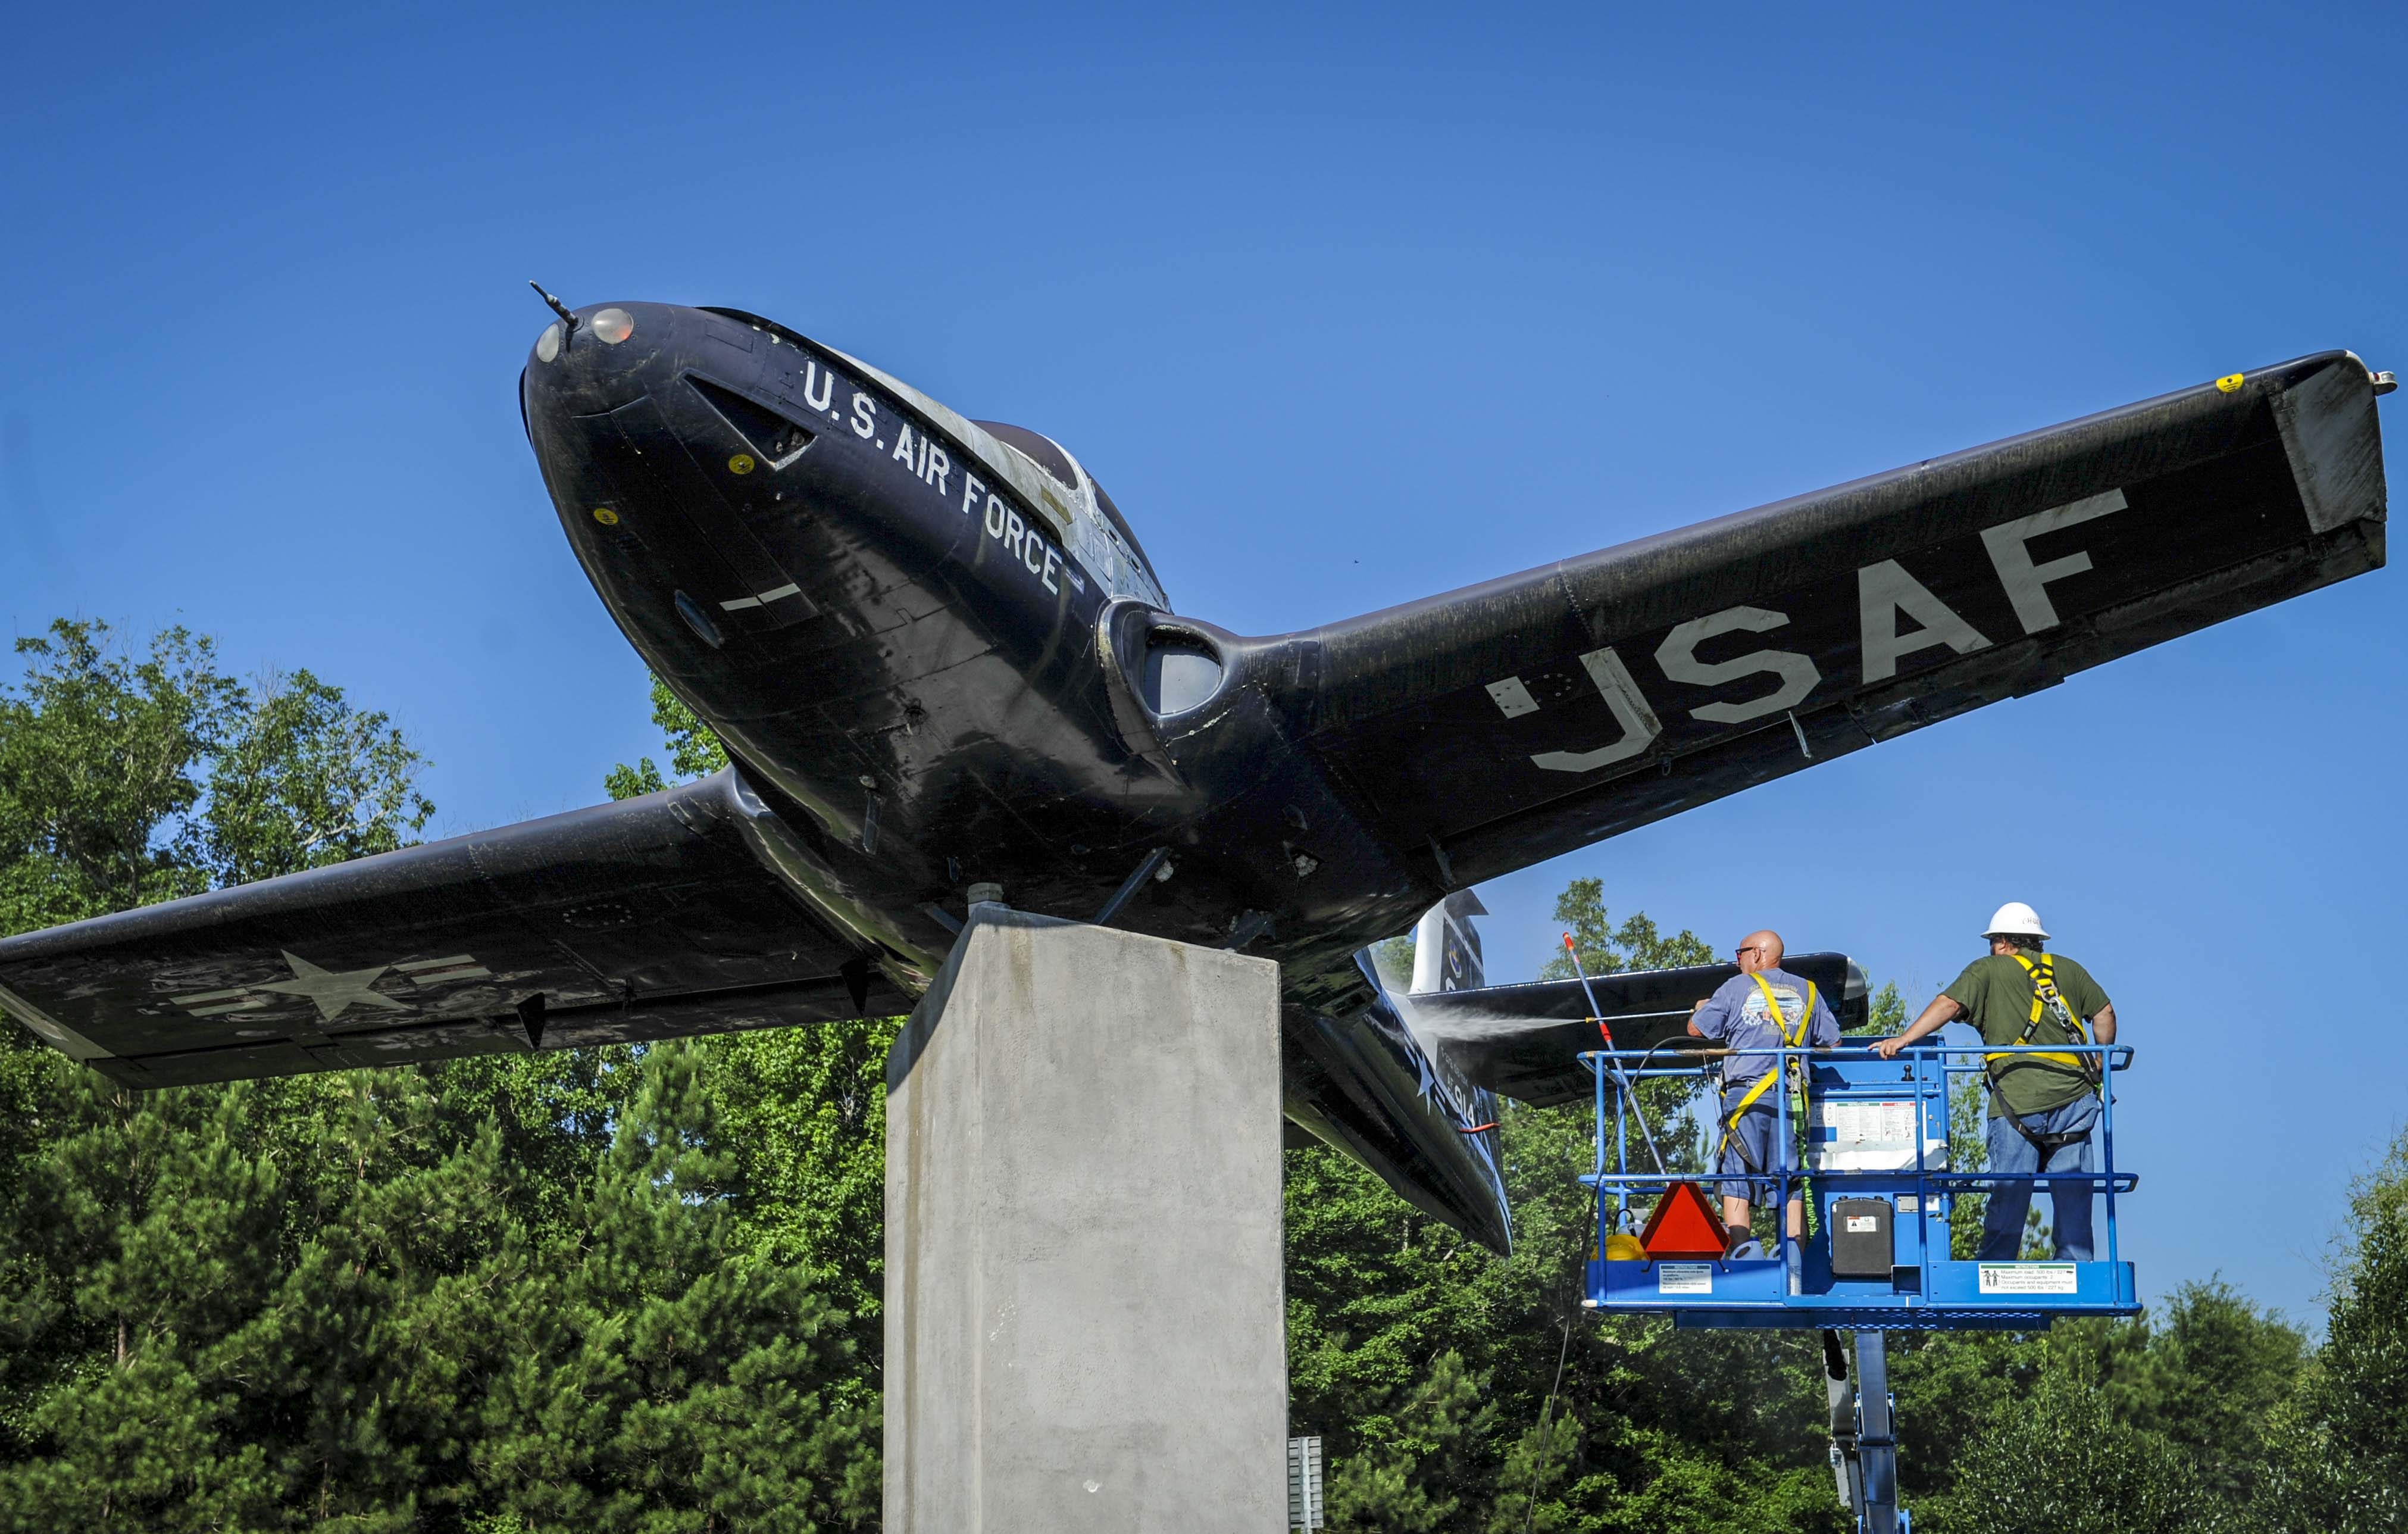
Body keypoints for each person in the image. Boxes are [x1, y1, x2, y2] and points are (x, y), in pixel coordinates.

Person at [1874, 902, 2118, 1262]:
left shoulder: (1987, 970)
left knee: (2009, 1191)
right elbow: (2104, 1014)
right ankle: (2077, 1266)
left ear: (2003, 942)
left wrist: (1904, 1039)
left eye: (1993, 941)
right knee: (2074, 1191)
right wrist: (2100, 1063)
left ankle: (1998, 1267)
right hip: (2075, 1101)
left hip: (2016, 1103)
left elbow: (1949, 1005)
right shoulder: (2069, 969)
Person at [1688, 930, 1840, 1254]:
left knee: (1736, 1179)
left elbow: (1697, 1029)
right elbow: (1833, 1041)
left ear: (1757, 954)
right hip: (1790, 1102)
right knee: (1791, 1182)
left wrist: (1701, 1008)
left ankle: (1745, 1255)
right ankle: (1793, 1260)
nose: (1737, 960)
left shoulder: (1736, 988)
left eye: (1740, 953)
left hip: (1745, 1100)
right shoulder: (1809, 992)